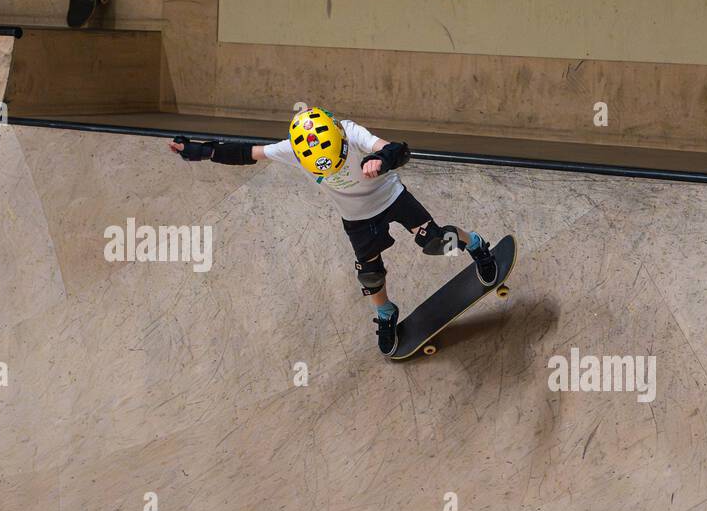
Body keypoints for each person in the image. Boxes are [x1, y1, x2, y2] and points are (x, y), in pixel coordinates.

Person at [169, 106, 499, 355]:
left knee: (436, 242)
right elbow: (245, 152)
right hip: (355, 218)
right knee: (370, 275)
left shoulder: (351, 133)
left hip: (391, 197)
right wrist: (200, 150)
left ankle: (477, 245)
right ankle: (386, 313)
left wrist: (382, 160)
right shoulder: (292, 150)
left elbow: (398, 147)